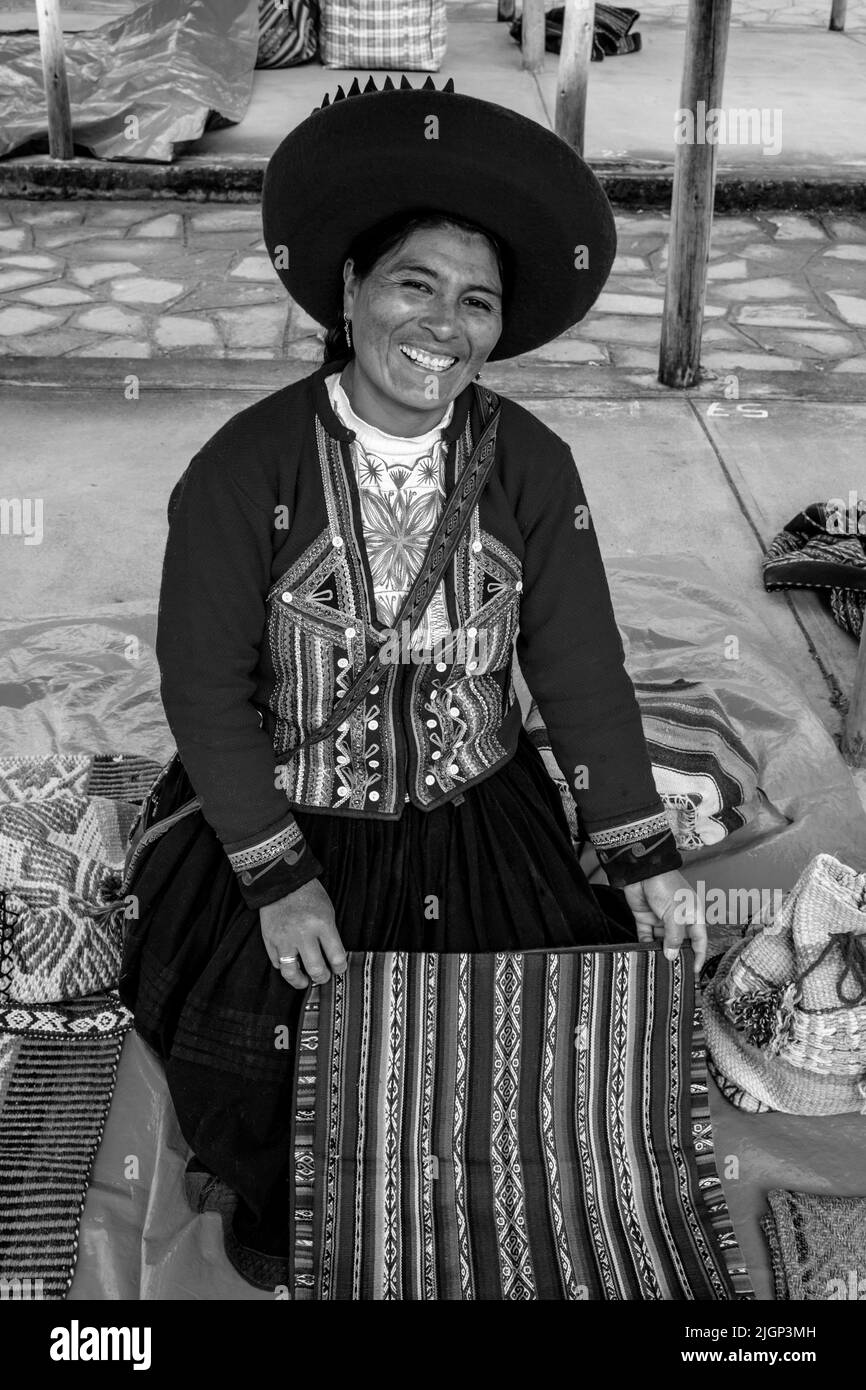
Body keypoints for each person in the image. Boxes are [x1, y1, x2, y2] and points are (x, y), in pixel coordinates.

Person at [120, 77, 707, 1291]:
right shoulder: (244, 468)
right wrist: (276, 881)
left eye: (475, 300)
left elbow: (581, 670)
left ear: (498, 330)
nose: (442, 323)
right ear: (348, 291)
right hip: (287, 820)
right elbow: (202, 686)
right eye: (413, 284)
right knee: (278, 1080)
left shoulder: (532, 466)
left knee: (536, 1056)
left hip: (478, 817)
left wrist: (638, 850)